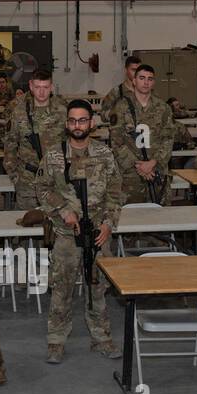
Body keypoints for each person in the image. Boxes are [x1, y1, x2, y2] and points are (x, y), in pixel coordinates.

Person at [35, 99, 123, 363]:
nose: (77, 125)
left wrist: (109, 223)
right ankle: (56, 340)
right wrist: (64, 211)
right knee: (61, 288)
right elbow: (42, 189)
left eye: (82, 120)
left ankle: (102, 338)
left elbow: (115, 191)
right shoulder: (53, 155)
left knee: (98, 287)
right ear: (66, 124)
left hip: (98, 233)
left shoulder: (104, 154)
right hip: (66, 234)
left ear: (91, 123)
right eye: (72, 120)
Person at [109, 63, 175, 204]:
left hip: (157, 172)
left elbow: (168, 139)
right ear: (134, 81)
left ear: (154, 83)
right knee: (130, 217)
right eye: (142, 78)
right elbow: (116, 141)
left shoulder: (163, 108)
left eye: (150, 79)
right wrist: (139, 166)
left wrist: (153, 162)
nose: (146, 82)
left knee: (160, 217)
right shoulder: (120, 107)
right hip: (130, 174)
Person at [2, 69, 68, 210]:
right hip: (28, 179)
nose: (42, 92)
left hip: (56, 178)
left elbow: (71, 143)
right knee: (28, 224)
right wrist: (14, 175)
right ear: (31, 86)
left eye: (45, 87)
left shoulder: (62, 111)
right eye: (38, 87)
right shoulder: (19, 112)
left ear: (51, 87)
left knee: (57, 223)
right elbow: (10, 145)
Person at [100, 54, 142, 121]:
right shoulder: (116, 92)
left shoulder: (146, 91)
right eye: (133, 70)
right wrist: (116, 113)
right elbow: (103, 115)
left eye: (139, 70)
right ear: (126, 70)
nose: (137, 73)